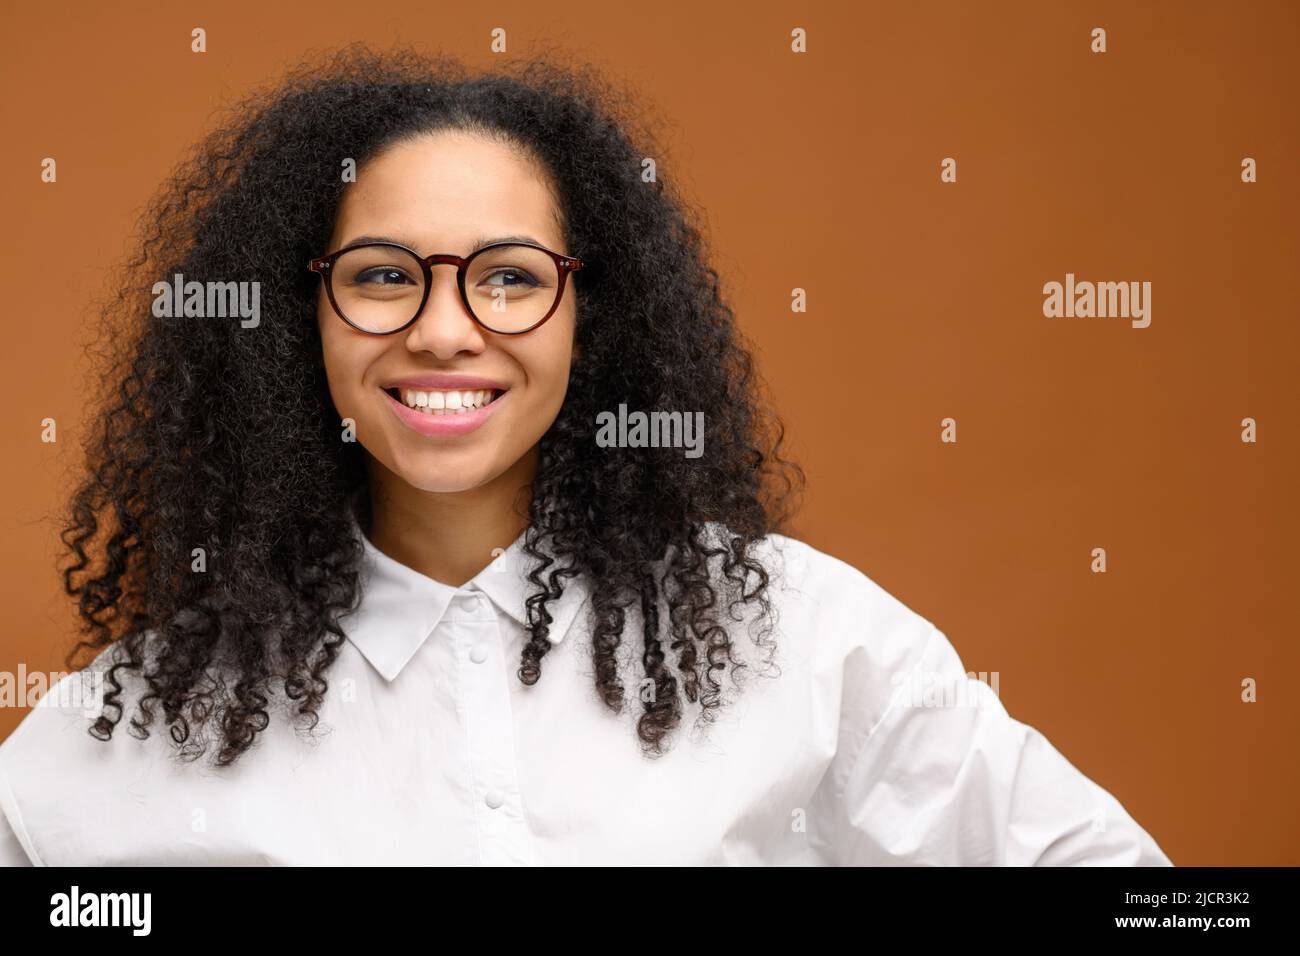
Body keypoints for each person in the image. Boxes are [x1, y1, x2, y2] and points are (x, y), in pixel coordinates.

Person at [0, 46, 1171, 866]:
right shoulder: (136, 721)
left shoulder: (805, 642)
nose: (445, 327)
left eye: (510, 275)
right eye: (380, 275)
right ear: (295, 320)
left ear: (588, 317)